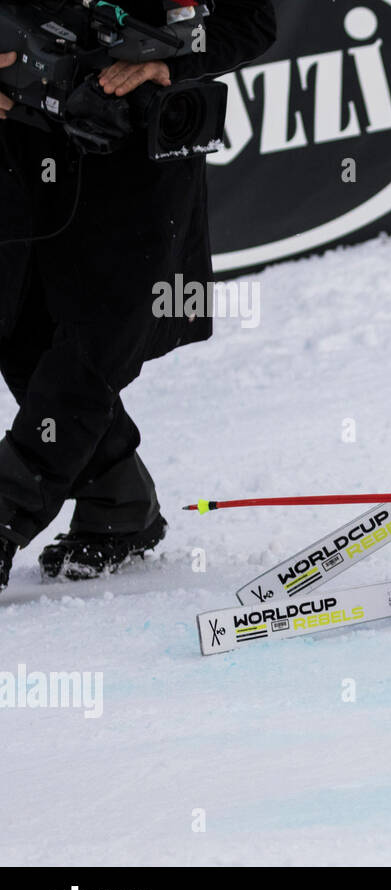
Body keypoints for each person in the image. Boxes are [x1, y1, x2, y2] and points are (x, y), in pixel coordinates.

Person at [0, 0, 276, 593]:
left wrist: (168, 61)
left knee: (92, 348)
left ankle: (7, 513)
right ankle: (116, 499)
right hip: (21, 141)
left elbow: (249, 21)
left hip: (133, 150)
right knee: (22, 331)